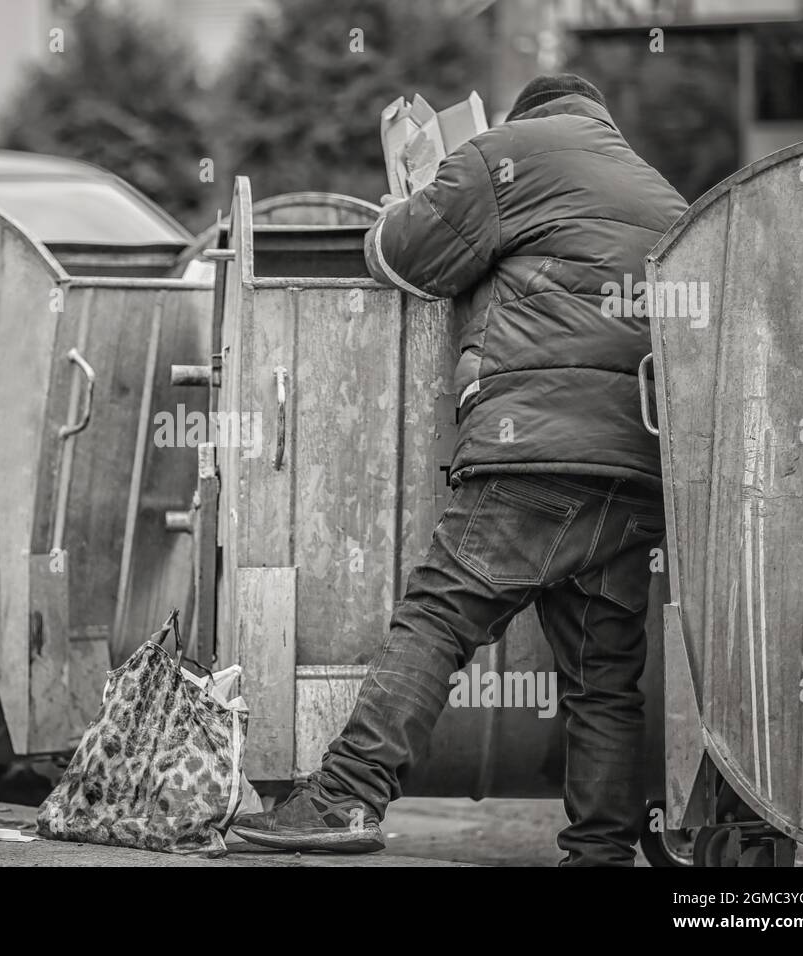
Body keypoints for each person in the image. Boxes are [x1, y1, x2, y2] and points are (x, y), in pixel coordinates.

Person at [230, 74, 688, 866]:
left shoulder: (502, 154)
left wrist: (394, 213)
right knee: (604, 677)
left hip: (536, 448)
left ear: (523, 115)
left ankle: (345, 796)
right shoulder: (664, 197)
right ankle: (602, 851)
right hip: (639, 466)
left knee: (439, 617)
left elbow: (405, 254)